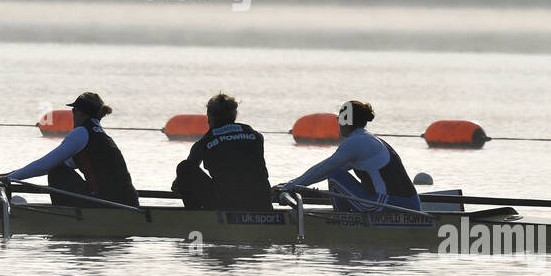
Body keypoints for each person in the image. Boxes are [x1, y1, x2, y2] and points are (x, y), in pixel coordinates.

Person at [0, 92, 139, 207]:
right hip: (129, 201)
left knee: (55, 171)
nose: (72, 114)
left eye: (73, 110)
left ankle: (63, 218)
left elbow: (45, 165)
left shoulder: (81, 133)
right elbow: (65, 164)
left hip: (110, 205)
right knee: (59, 168)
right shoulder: (100, 136)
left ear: (81, 113)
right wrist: (12, 173)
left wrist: (9, 178)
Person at [277, 101, 420, 213]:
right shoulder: (367, 140)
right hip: (410, 205)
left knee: (335, 175)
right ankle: (347, 218)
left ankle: (339, 222)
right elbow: (320, 174)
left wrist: (291, 187)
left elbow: (324, 169)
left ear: (346, 120)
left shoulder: (356, 142)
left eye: (339, 119)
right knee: (335, 173)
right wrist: (292, 185)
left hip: (390, 206)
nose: (338, 123)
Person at [171, 93, 272, 210]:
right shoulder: (256, 136)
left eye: (207, 115)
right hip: (262, 202)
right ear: (233, 115)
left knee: (184, 168)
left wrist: (179, 185)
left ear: (211, 116)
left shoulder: (204, 142)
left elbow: (184, 177)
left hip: (228, 203)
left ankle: (195, 217)